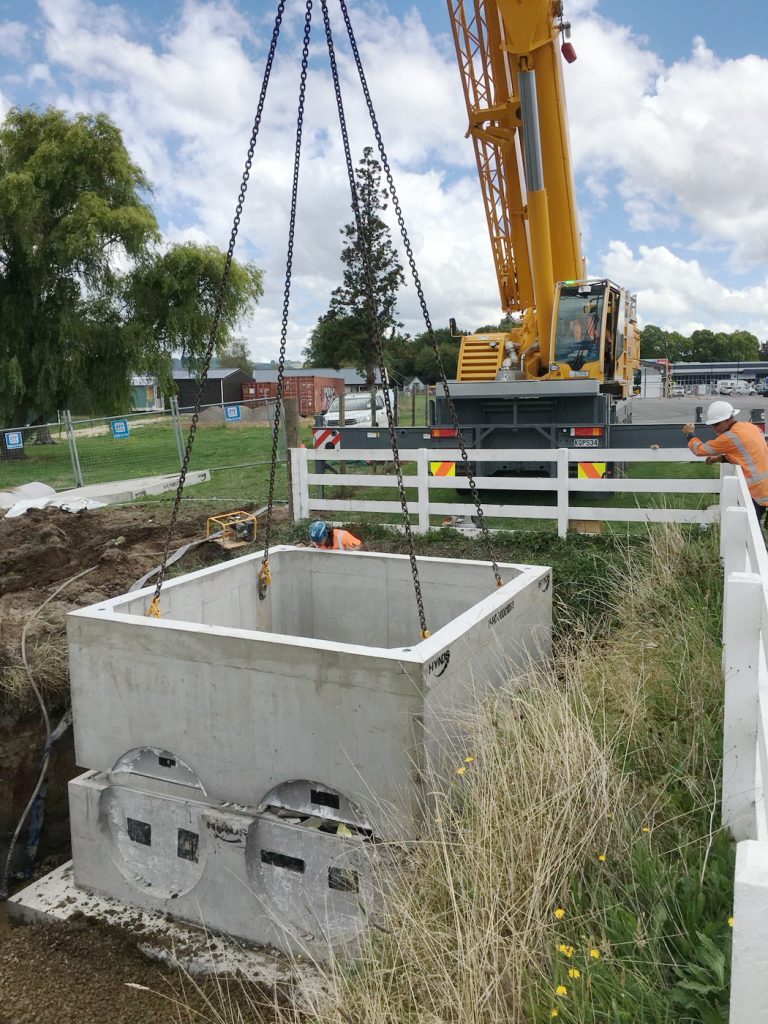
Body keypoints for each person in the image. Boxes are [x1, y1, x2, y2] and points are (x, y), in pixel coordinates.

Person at [683, 401, 768, 526]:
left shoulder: (730, 437)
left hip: (755, 491)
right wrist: (719, 459)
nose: (714, 428)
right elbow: (746, 455)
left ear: (727, 420)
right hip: (763, 488)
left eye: (716, 424)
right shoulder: (750, 427)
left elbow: (699, 450)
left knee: (751, 530)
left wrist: (689, 434)